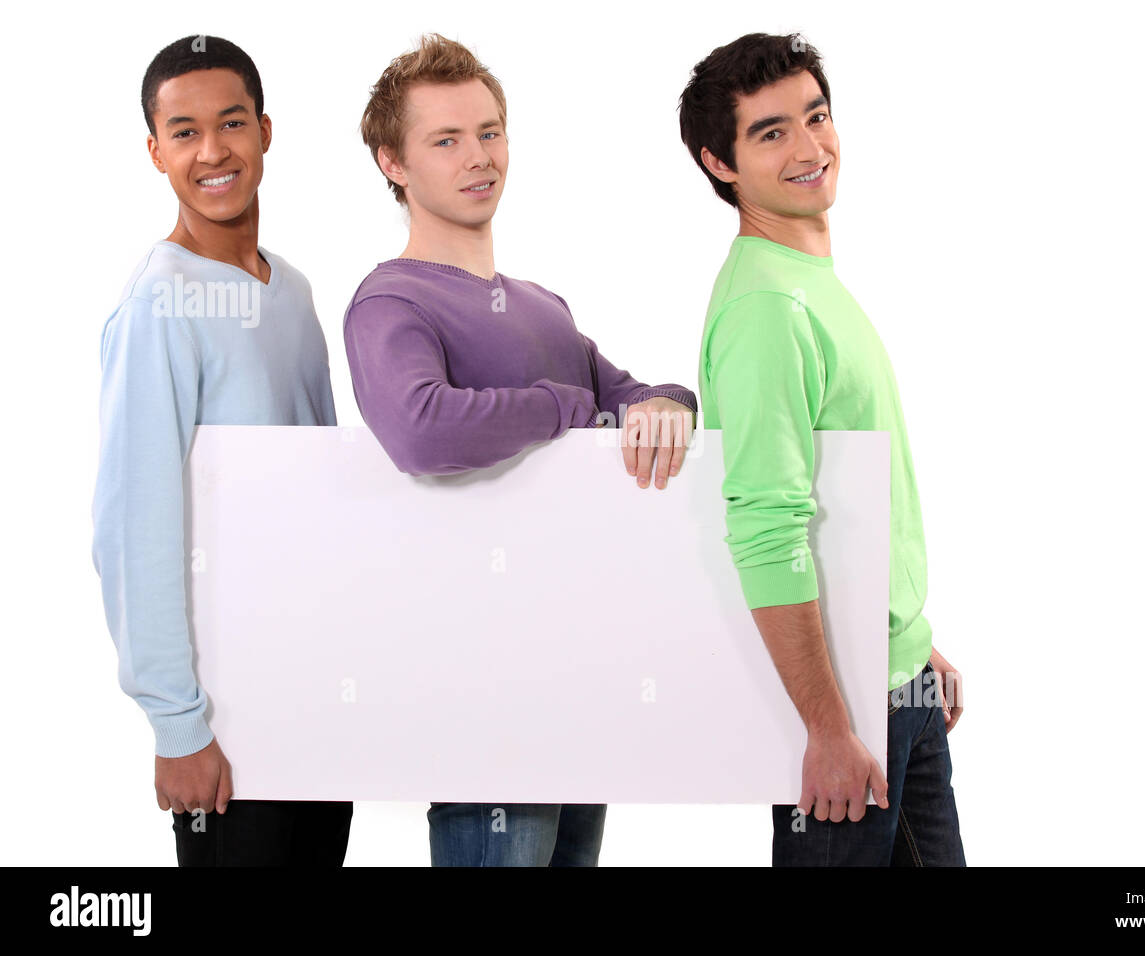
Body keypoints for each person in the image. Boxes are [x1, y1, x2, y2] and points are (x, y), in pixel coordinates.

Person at [346, 33, 698, 866]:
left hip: (582, 675)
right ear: (393, 162)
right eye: (447, 140)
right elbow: (420, 429)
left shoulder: (542, 305)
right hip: (482, 694)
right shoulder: (388, 301)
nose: (479, 157)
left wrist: (664, 406)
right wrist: (569, 409)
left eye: (491, 132)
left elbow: (637, 398)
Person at [678, 32, 966, 866]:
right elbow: (765, 528)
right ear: (720, 163)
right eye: (771, 133)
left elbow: (850, 495)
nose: (811, 148)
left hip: (895, 681)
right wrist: (827, 728)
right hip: (848, 714)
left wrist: (907, 638)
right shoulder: (767, 309)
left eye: (817, 116)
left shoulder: (809, 282)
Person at [91, 34, 352, 866]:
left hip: (314, 694)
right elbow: (135, 528)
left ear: (266, 132)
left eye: (232, 123)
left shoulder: (296, 290)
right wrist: (177, 724)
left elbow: (326, 490)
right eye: (185, 131)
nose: (213, 152)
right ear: (155, 150)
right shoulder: (159, 305)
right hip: (227, 725)